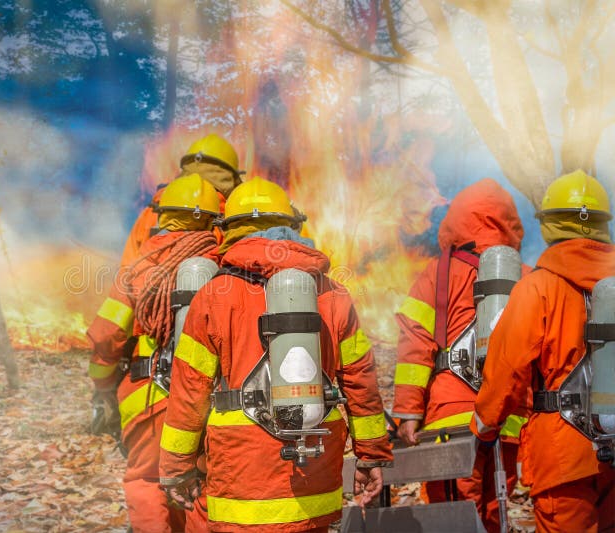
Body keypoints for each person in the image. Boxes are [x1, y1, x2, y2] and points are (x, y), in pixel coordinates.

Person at [158, 177, 392, 532]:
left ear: (229, 230)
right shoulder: (333, 294)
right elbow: (361, 382)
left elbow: (189, 391)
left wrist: (176, 468)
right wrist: (371, 455)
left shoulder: (212, 296)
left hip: (242, 487)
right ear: (292, 226)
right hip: (313, 481)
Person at [471, 170, 615, 533]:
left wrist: (485, 427)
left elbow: (507, 368)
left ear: (549, 225)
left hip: (563, 456)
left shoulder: (536, 288)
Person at [391, 178, 529, 531]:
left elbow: (415, 347)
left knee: (452, 514)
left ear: (456, 220)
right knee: (494, 509)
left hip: (451, 420)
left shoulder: (437, 273)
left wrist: (408, 411)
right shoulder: (528, 279)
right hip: (507, 418)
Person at [87, 174, 222, 533]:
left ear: (162, 217)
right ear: (213, 219)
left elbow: (105, 337)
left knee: (148, 480)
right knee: (202, 484)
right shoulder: (223, 266)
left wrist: (101, 386)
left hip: (150, 397)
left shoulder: (138, 270)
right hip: (208, 401)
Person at [120, 133, 243, 267]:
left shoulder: (153, 210)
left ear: (185, 169)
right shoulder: (235, 219)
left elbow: (127, 269)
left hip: (146, 283)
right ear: (232, 177)